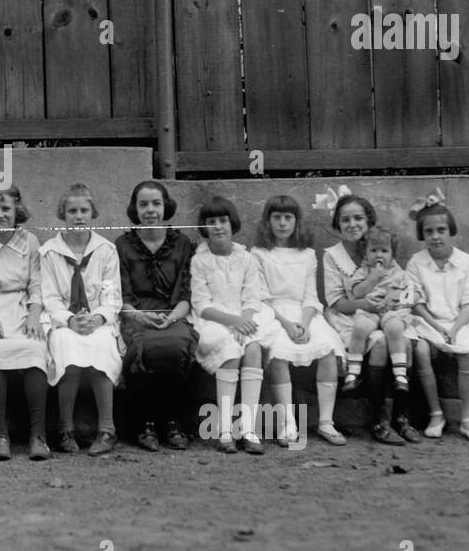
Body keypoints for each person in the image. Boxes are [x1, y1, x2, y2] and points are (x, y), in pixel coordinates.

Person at [190, 196, 281, 455]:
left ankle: (249, 429)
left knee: (253, 349)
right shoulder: (200, 260)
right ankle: (225, 431)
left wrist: (245, 319)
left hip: (246, 315)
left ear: (233, 224)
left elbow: (253, 297)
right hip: (214, 319)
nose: (218, 227)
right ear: (205, 227)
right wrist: (233, 322)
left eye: (223, 221)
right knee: (230, 354)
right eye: (211, 222)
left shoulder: (246, 257)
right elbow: (201, 304)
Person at [251, 195, 345, 446]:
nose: (282, 223)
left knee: (326, 349)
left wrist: (303, 323)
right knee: (279, 354)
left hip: (304, 313)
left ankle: (326, 422)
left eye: (288, 217)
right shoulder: (259, 253)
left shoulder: (307, 254)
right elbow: (261, 297)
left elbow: (312, 297)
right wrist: (287, 324)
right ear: (268, 221)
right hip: (273, 314)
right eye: (277, 217)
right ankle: (288, 422)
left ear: (296, 221)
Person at [39, 183, 123, 456]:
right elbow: (49, 298)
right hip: (64, 322)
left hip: (97, 321)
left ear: (92, 213)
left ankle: (107, 429)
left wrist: (98, 319)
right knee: (65, 345)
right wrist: (69, 320)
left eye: (83, 210)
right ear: (62, 214)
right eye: (71, 210)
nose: (78, 216)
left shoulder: (106, 250)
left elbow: (112, 297)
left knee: (102, 346)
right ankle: (65, 430)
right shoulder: (49, 252)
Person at [0, 184, 49, 461]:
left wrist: (35, 315)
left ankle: (38, 435)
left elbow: (37, 285)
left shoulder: (30, 241)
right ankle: (0, 434)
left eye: (6, 209)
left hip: (25, 308)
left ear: (17, 210)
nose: (0, 214)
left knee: (36, 348)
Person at [115, 180, 199, 451]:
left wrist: (172, 318)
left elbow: (186, 294)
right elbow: (119, 296)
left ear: (166, 207)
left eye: (156, 203)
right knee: (144, 348)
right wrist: (140, 316)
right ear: (134, 209)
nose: (150, 210)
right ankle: (144, 424)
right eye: (143, 204)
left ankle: (173, 422)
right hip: (135, 315)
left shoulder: (182, 243)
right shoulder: (123, 244)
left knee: (176, 345)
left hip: (174, 313)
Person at [322, 193, 398, 443]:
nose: (352, 224)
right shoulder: (332, 255)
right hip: (345, 315)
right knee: (375, 340)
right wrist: (364, 303)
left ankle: (384, 418)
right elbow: (336, 302)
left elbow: (394, 284)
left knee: (385, 341)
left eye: (358, 218)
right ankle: (377, 417)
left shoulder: (379, 248)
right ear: (337, 225)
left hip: (376, 314)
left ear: (369, 221)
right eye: (345, 220)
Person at [407, 202, 469, 442]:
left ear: (450, 231)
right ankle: (436, 414)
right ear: (422, 234)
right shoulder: (416, 262)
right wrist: (438, 327)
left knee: (468, 352)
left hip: (459, 321)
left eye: (441, 230)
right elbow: (416, 303)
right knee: (420, 351)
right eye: (429, 232)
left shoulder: (465, 262)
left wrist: (454, 328)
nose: (435, 236)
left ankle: (468, 421)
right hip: (427, 321)